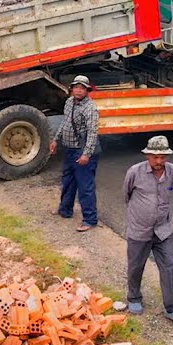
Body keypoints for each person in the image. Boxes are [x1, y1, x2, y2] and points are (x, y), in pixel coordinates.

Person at [119, 135, 173, 323]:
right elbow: (126, 195)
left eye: (163, 157)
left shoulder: (172, 171)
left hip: (164, 229)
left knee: (170, 265)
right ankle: (134, 298)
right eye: (155, 157)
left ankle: (171, 308)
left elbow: (171, 190)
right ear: (147, 155)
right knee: (136, 266)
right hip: (140, 229)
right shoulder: (135, 172)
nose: (159, 161)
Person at [48, 75, 101, 232]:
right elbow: (65, 123)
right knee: (67, 182)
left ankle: (90, 220)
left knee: (85, 187)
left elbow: (92, 133)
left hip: (82, 151)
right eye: (76, 87)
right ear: (72, 89)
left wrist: (86, 154)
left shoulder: (90, 108)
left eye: (82, 88)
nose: (78, 90)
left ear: (87, 90)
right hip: (70, 149)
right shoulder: (69, 102)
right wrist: (55, 140)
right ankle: (65, 210)